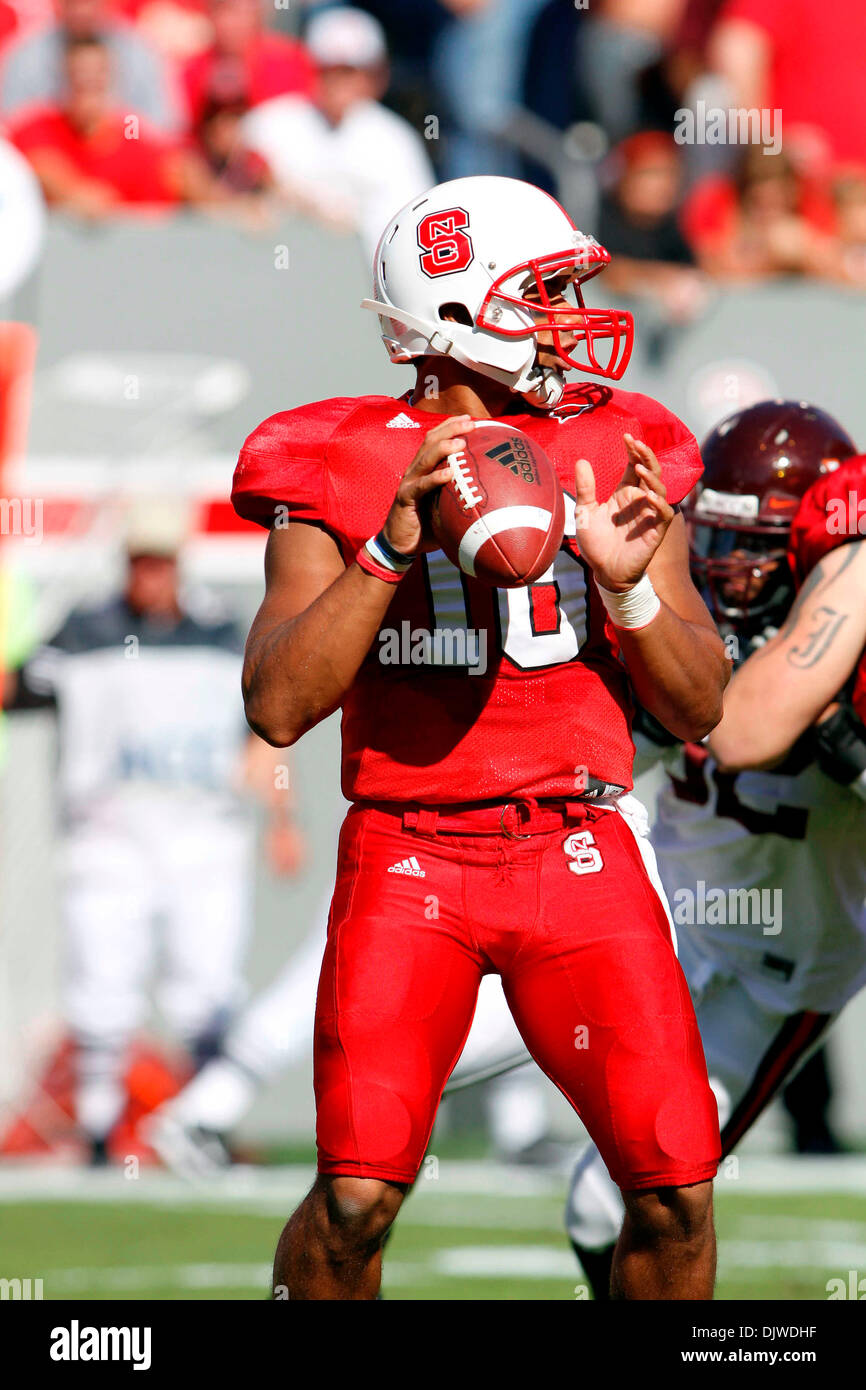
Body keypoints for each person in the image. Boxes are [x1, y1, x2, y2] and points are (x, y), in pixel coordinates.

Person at [231, 172, 730, 1301]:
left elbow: (700, 707)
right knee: (355, 1198)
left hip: (578, 847)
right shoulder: (337, 458)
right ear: (455, 314)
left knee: (671, 1191)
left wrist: (628, 590)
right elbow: (275, 702)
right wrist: (387, 547)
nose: (566, 314)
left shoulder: (627, 441)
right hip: (410, 855)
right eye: (541, 290)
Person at [566, 401, 866, 1296]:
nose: (733, 567)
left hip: (783, 967)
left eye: (760, 542)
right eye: (719, 536)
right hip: (672, 921)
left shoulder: (844, 629)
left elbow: (743, 727)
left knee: (609, 1200)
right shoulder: (694, 614)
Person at [3, 499, 300, 1164]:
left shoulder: (223, 632)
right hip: (107, 839)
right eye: (139, 561)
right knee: (101, 985)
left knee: (208, 988)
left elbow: (264, 730)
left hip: (204, 839)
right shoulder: (82, 632)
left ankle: (202, 1120)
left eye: (159, 561)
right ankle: (101, 1131)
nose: (149, 576)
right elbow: (16, 688)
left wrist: (282, 819)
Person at [242, 6, 434, 259]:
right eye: (328, 70)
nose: (337, 83)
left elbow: (413, 228)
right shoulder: (269, 124)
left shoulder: (394, 139)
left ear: (374, 75)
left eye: (348, 71)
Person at [9, 35, 182, 214]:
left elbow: (160, 176)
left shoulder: (133, 129)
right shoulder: (38, 125)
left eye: (97, 72)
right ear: (64, 78)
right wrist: (71, 192)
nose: (88, 78)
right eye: (79, 72)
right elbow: (33, 164)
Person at [0, 0, 181, 132]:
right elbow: (14, 128)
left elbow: (162, 128)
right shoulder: (24, 55)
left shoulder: (141, 52)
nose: (82, 11)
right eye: (73, 3)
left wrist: (118, 134)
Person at [180, 0, 316, 128]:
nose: (234, 23)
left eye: (244, 12)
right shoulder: (192, 71)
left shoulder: (290, 61)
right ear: (211, 15)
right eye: (227, 11)